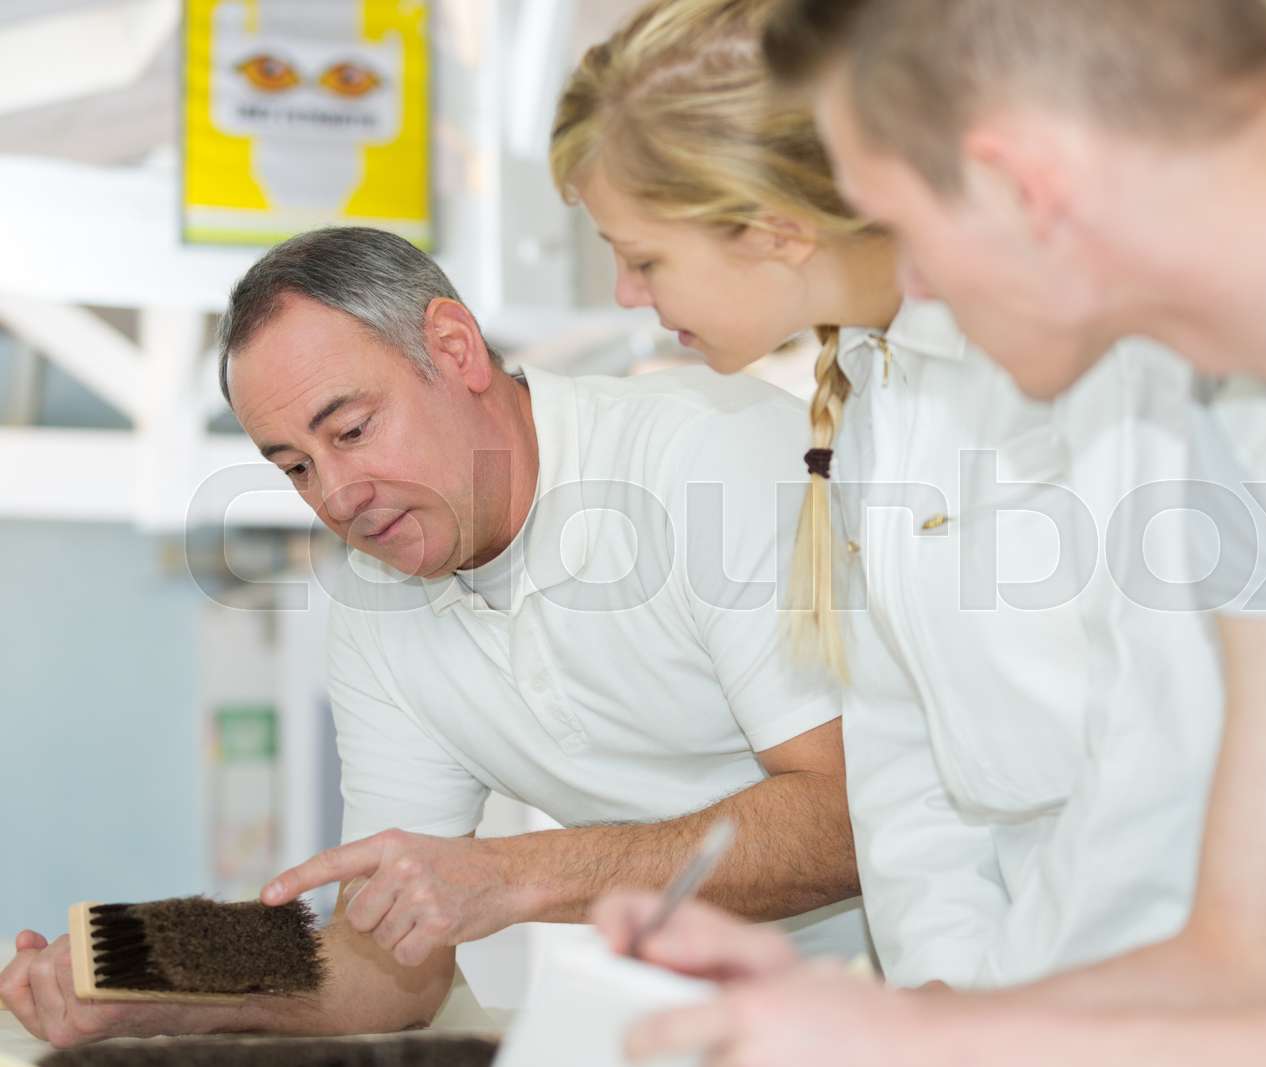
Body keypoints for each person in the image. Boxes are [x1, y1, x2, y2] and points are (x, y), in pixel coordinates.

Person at [593, 1, 1266, 1064]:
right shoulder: (1239, 393)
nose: (912, 289)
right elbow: (1250, 958)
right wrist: (882, 1020)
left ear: (1023, 186)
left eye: (904, 226)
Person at [0, 226, 868, 1049]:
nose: (336, 494)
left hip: (917, 999)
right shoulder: (375, 607)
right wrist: (149, 975)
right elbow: (386, 965)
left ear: (454, 348)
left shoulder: (700, 458)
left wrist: (509, 874)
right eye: (296, 466)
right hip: (710, 1031)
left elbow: (851, 815)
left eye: (350, 430)